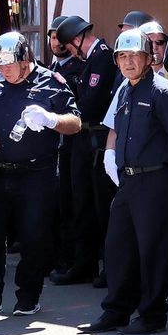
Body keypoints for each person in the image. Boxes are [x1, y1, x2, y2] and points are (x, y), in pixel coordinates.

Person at [78, 29, 168, 335]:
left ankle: (152, 315)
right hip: (128, 181)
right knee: (118, 247)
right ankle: (116, 310)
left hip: (156, 179)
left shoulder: (163, 92)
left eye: (135, 55)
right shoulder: (125, 91)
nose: (128, 62)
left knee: (152, 250)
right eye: (122, 56)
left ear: (149, 58)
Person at [0, 32, 81, 316]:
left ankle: (28, 296)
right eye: (0, 65)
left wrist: (51, 119)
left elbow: (75, 122)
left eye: (9, 65)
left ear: (25, 60)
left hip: (36, 173)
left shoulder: (51, 82)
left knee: (33, 237)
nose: (4, 71)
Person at [51, 15, 116, 287]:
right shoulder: (92, 60)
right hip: (84, 138)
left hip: (96, 139)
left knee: (101, 207)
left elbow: (89, 103)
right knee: (82, 204)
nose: (70, 51)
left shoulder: (102, 58)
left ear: (77, 39)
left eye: (69, 45)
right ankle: (85, 263)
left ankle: (108, 266)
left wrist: (66, 91)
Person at [48, 15, 85, 275]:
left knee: (71, 205)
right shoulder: (49, 69)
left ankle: (70, 259)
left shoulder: (78, 68)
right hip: (50, 149)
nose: (57, 42)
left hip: (72, 144)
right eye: (52, 37)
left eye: (61, 38)